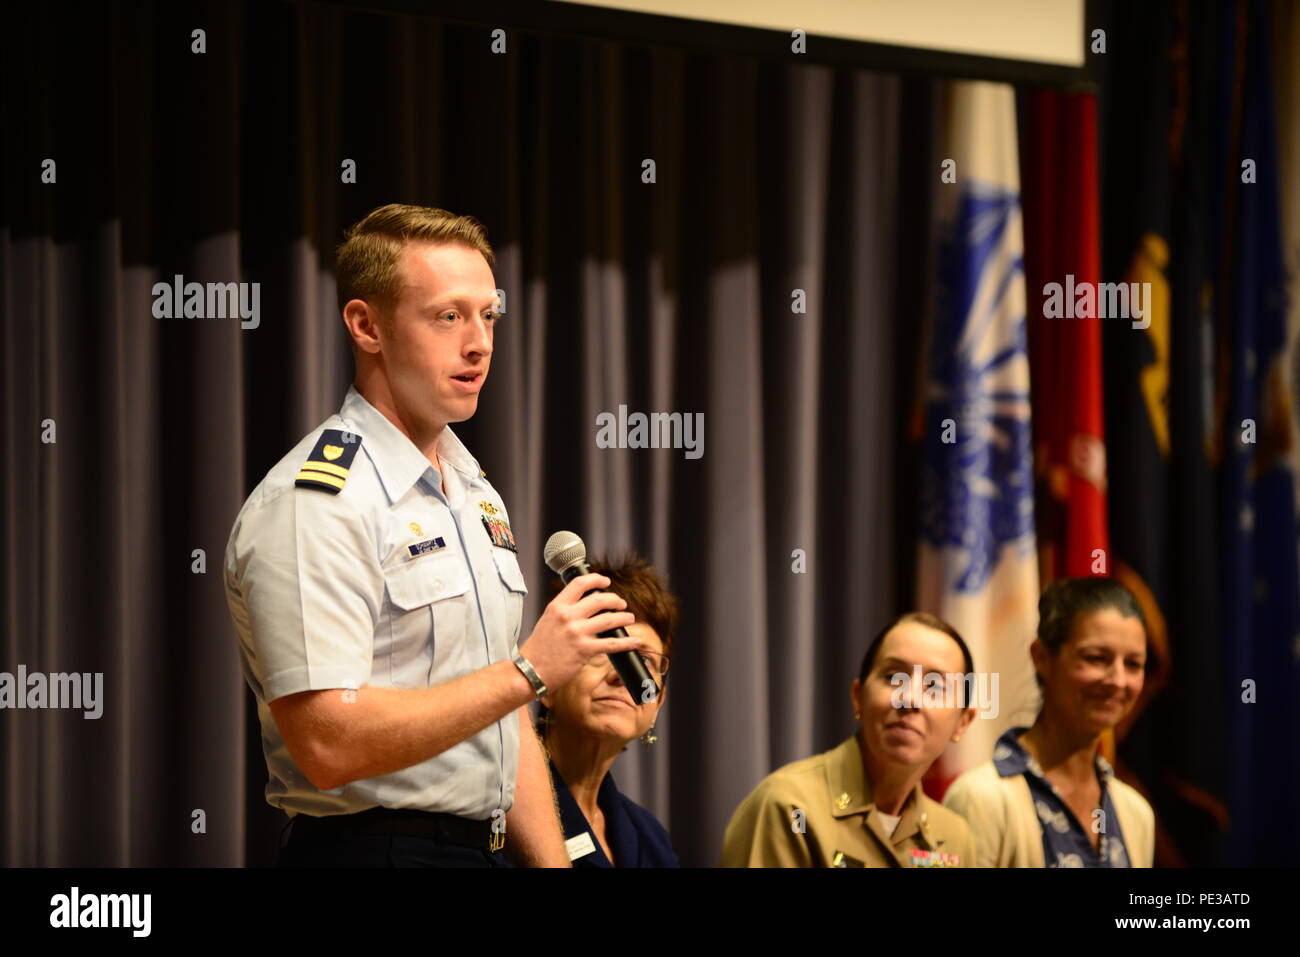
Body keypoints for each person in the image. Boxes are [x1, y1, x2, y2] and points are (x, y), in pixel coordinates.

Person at [223, 203, 642, 867]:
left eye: (489, 314)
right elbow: (328, 744)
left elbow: (500, 716)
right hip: (373, 852)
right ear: (367, 326)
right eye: (449, 315)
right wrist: (529, 669)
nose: (479, 341)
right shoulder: (317, 499)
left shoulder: (474, 489)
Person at [721, 612, 976, 867]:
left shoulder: (954, 836)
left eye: (934, 686)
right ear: (857, 697)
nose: (909, 699)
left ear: (962, 723)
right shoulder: (789, 807)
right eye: (893, 677)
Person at [942, 577, 1155, 867]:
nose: (1118, 681)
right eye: (1096, 658)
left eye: (1133, 664)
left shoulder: (1135, 813)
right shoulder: (979, 799)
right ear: (1041, 657)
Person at [536, 553, 680, 867]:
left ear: (658, 701)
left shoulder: (651, 837)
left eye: (644, 662)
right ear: (548, 683)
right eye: (602, 650)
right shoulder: (493, 815)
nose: (621, 675)